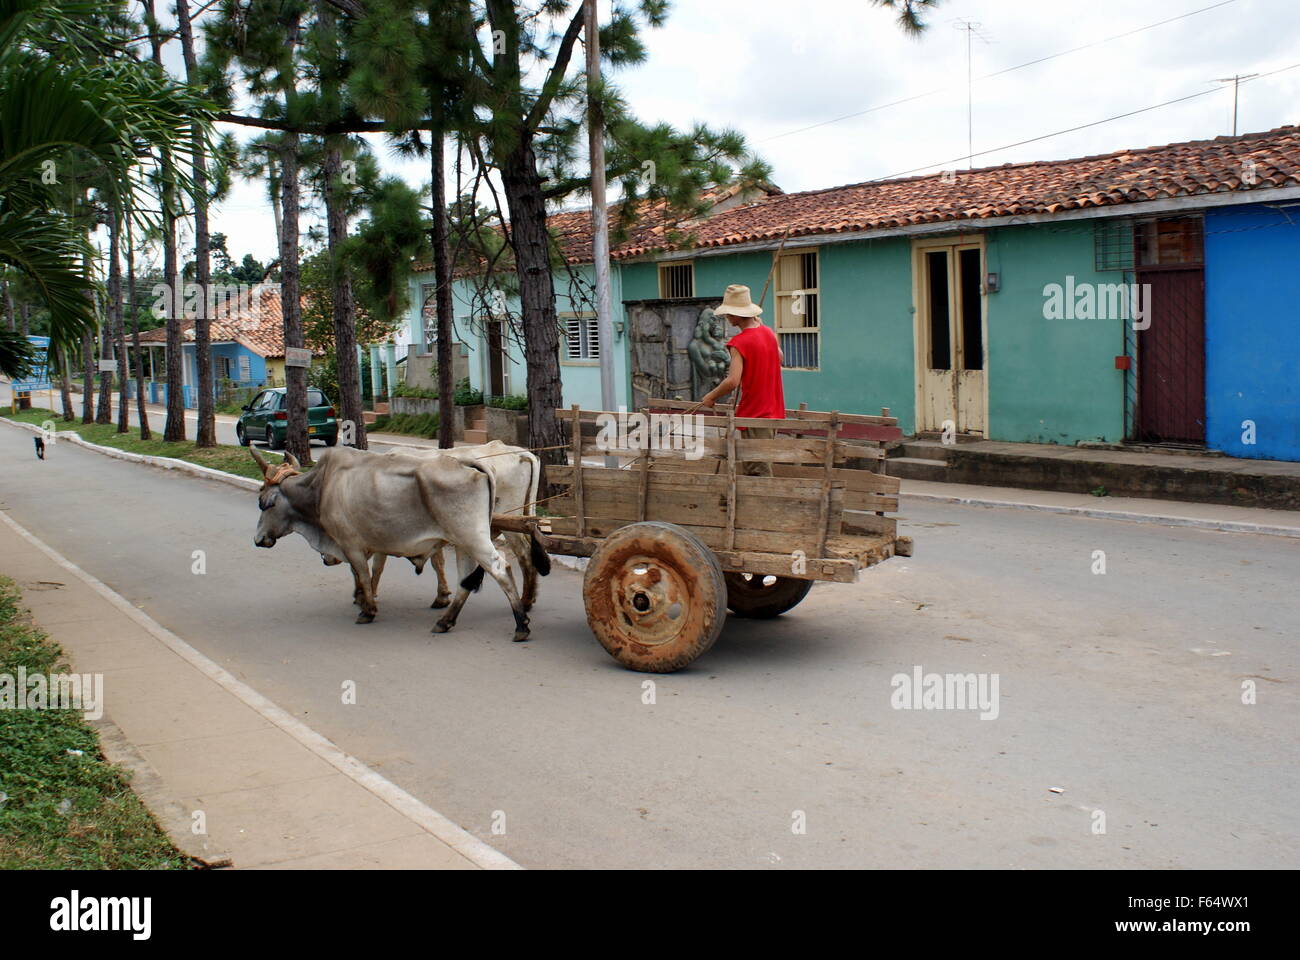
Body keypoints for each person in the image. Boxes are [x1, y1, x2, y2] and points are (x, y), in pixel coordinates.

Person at [690, 284, 785, 476]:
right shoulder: (768, 332)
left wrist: (710, 396)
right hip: (773, 410)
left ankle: (763, 505)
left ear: (735, 315)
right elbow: (779, 358)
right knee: (759, 464)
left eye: (728, 313)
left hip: (755, 414)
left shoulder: (738, 343)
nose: (726, 317)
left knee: (758, 471)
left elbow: (732, 381)